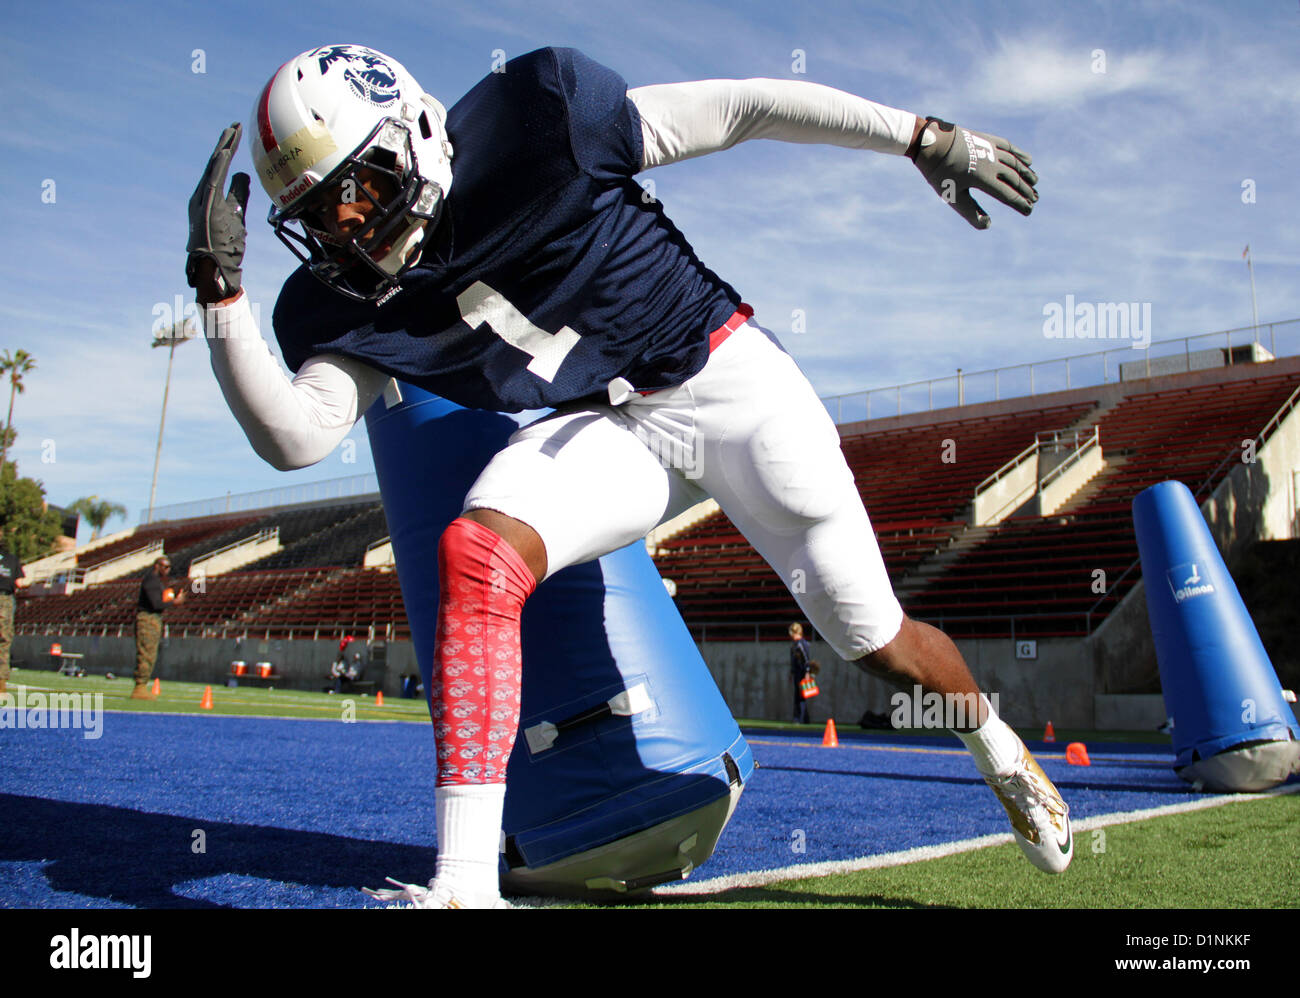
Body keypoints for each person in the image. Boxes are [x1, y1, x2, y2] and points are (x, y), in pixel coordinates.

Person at [187, 44, 1068, 906]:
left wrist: (922, 137)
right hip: (611, 425)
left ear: (412, 131)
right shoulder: (342, 297)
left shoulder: (543, 113)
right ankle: (462, 885)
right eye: (318, 216)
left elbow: (744, 108)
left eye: (358, 189)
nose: (347, 228)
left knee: (875, 644)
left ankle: (996, 745)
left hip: (730, 388)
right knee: (476, 555)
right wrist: (221, 298)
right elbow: (298, 437)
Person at [133, 556, 184, 699]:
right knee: (146, 653)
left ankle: (142, 685)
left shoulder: (156, 581)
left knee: (150, 653)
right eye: (165, 567)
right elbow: (156, 604)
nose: (168, 570)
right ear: (157, 566)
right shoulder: (151, 580)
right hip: (147, 619)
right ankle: (140, 686)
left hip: (153, 619)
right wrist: (174, 602)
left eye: (169, 567)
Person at [0, 545, 28, 695]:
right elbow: (19, 583)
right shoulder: (12, 560)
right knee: (4, 643)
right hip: (5, 601)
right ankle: (1, 685)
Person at [789, 622, 813, 724]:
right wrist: (791, 673)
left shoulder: (801, 644)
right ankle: (803, 718)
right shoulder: (794, 645)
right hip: (797, 673)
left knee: (801, 696)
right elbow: (793, 662)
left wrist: (807, 673)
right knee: (798, 696)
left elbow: (806, 660)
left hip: (802, 673)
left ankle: (800, 718)